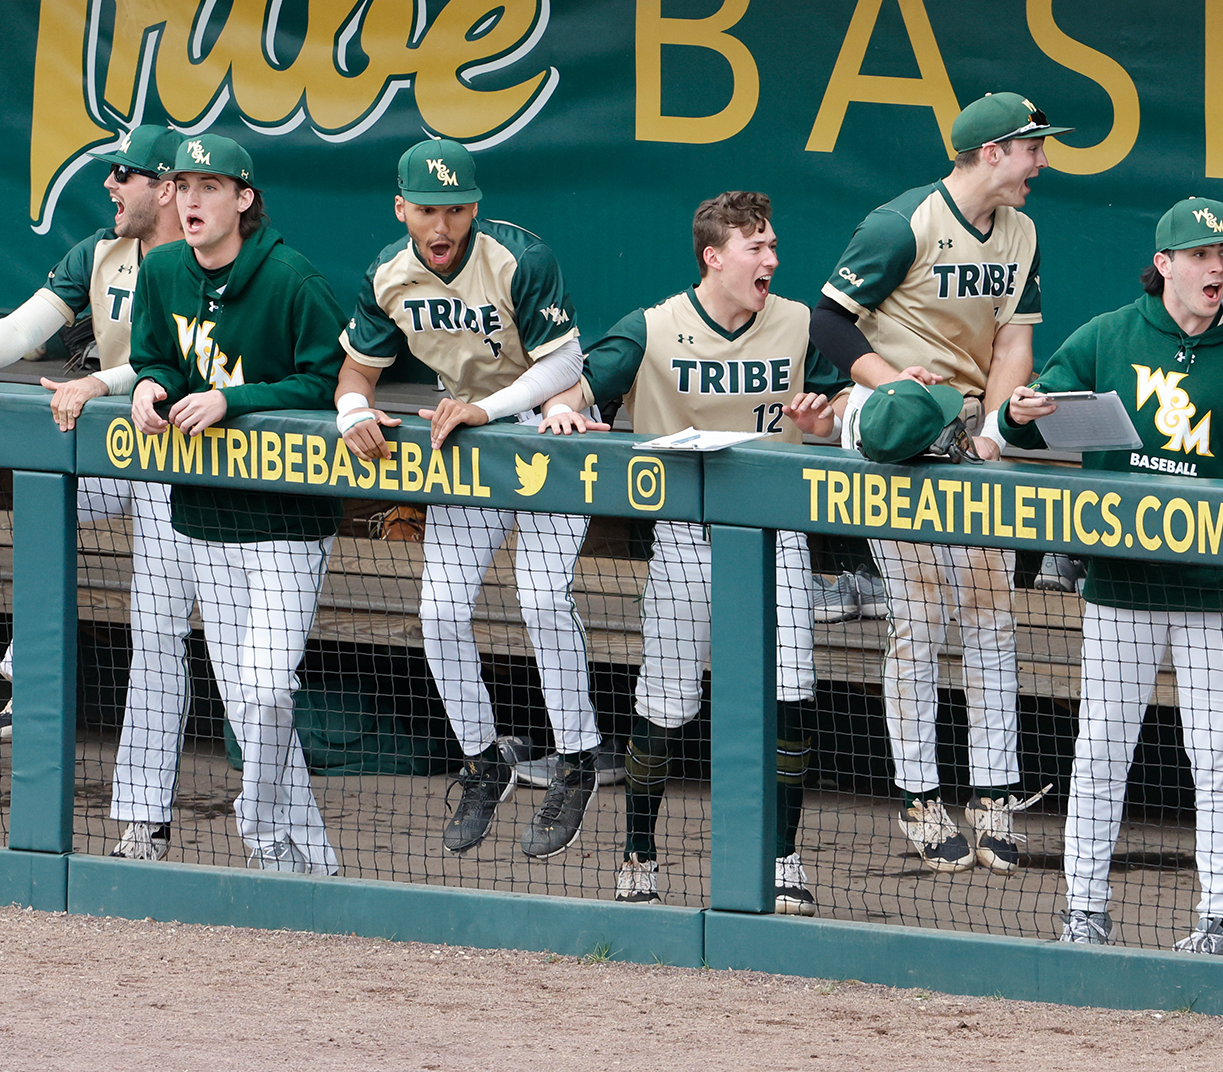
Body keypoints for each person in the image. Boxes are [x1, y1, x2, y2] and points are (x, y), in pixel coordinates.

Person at [1003, 196, 1223, 953]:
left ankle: (1219, 918)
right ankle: (1083, 907)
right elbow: (1030, 413)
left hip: (1218, 591)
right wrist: (1018, 411)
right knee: (1102, 748)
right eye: (1201, 256)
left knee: (1216, 757)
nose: (1217, 267)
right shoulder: (1110, 333)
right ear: (1164, 265)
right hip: (1123, 584)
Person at [540, 190, 844, 913]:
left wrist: (822, 421)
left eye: (773, 246)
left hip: (778, 538)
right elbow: (583, 385)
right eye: (757, 248)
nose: (771, 259)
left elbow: (837, 421)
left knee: (791, 698)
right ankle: (639, 855)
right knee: (665, 705)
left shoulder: (800, 323)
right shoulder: (654, 325)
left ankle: (783, 861)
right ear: (714, 256)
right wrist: (562, 405)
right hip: (685, 542)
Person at [0, 125, 200, 863]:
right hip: (112, 444)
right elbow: (26, 325)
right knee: (45, 507)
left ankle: (145, 817)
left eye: (124, 175)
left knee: (159, 635)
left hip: (185, 452)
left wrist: (100, 380)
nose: (110, 186)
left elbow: (174, 363)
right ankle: (28, 662)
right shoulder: (98, 255)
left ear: (165, 187)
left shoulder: (207, 259)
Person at [808, 91, 1069, 873]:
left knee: (992, 612)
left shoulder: (1020, 231)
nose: (1040, 162)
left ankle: (993, 792)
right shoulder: (903, 222)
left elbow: (1013, 342)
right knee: (920, 616)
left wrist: (994, 431)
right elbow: (828, 320)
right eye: (1031, 148)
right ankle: (918, 794)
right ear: (992, 152)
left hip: (962, 436)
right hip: (890, 423)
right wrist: (893, 387)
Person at [336, 138, 602, 858]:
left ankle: (578, 763)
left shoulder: (519, 258)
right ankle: (486, 762)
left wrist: (488, 409)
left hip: (549, 428)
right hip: (473, 448)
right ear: (402, 209)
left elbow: (566, 365)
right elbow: (355, 375)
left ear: (474, 207)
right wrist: (352, 414)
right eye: (426, 209)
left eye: (455, 208)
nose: (441, 225)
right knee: (439, 611)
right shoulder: (388, 275)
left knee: (542, 595)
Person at [129, 133, 346, 874]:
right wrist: (148, 384)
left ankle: (257, 824)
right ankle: (299, 862)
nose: (190, 200)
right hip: (205, 520)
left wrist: (235, 399)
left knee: (265, 690)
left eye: (210, 186)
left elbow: (328, 383)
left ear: (244, 199)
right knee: (248, 704)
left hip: (285, 525)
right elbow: (155, 352)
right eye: (183, 186)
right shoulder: (160, 270)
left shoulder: (292, 279)